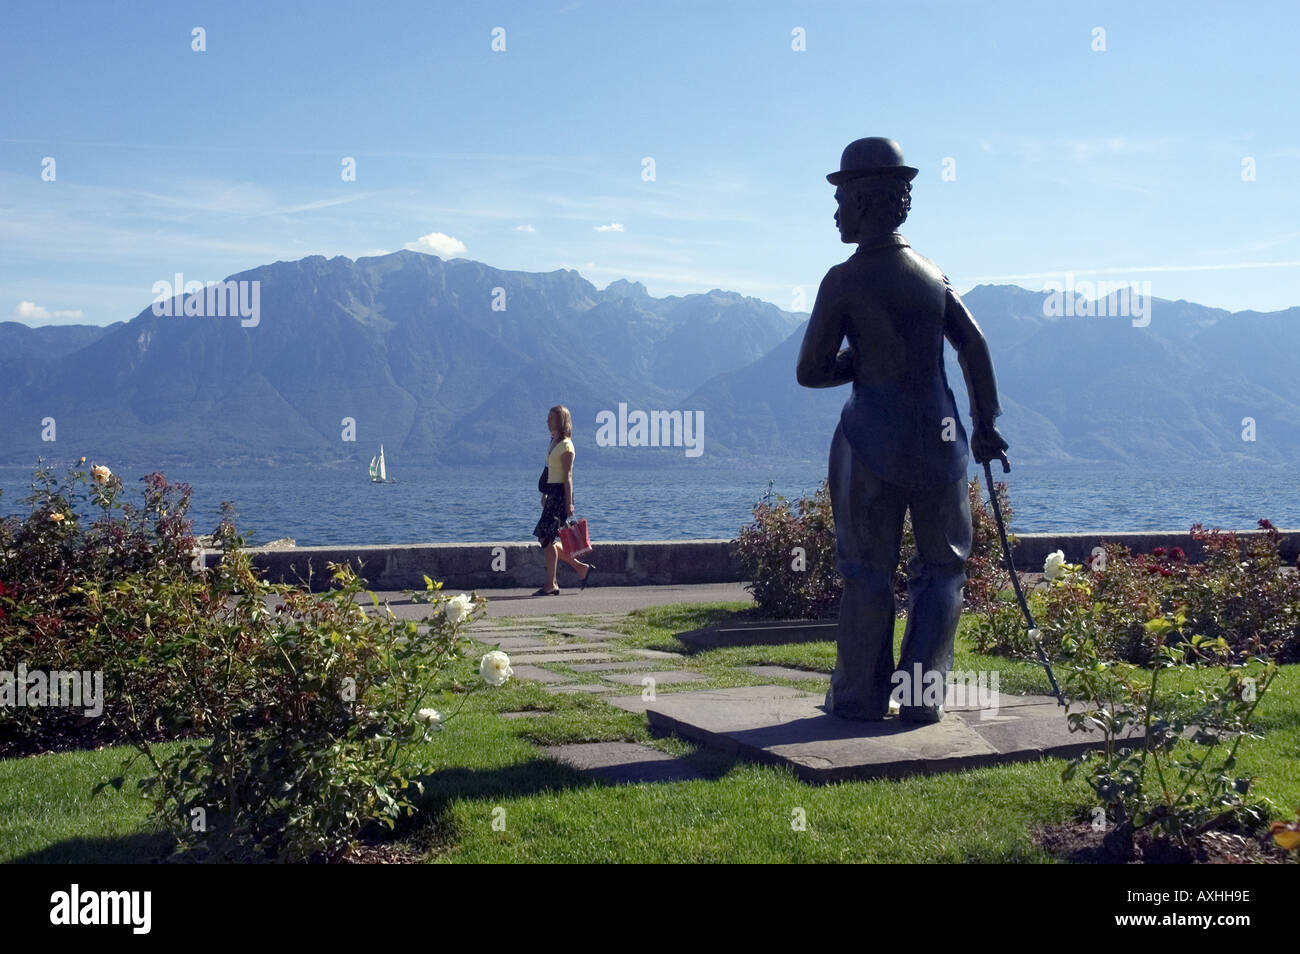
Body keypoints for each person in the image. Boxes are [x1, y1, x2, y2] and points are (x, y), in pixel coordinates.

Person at [796, 137, 1008, 722]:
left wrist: (858, 364)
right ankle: (921, 700)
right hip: (942, 444)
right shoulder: (933, 275)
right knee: (943, 570)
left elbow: (810, 371)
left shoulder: (842, 280)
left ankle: (859, 696)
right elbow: (975, 345)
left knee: (866, 570)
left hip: (870, 442)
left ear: (866, 203)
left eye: (841, 200)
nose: (836, 213)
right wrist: (986, 424)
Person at [532, 405, 595, 595]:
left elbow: (567, 476)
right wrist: (545, 493)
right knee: (546, 538)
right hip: (552, 494)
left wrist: (569, 503)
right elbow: (550, 471)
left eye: (551, 418)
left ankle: (551, 584)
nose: (547, 422)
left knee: (546, 538)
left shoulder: (567, 446)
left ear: (560, 421)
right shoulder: (554, 443)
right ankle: (579, 568)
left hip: (560, 496)